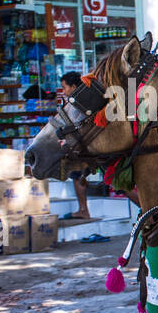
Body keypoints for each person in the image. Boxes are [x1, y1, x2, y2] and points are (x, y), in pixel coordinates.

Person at [58, 71, 90, 220]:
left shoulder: (78, 102)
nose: (64, 91)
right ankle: (83, 209)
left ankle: (83, 210)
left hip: (82, 148)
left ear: (73, 86)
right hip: (83, 147)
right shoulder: (78, 101)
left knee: (77, 177)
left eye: (65, 87)